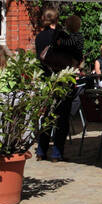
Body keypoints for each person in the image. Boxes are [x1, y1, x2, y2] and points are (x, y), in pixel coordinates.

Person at [37, 15, 84, 161]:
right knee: (62, 117)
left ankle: (41, 151)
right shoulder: (75, 38)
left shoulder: (47, 37)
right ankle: (57, 153)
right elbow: (78, 57)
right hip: (65, 79)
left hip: (50, 78)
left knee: (48, 115)